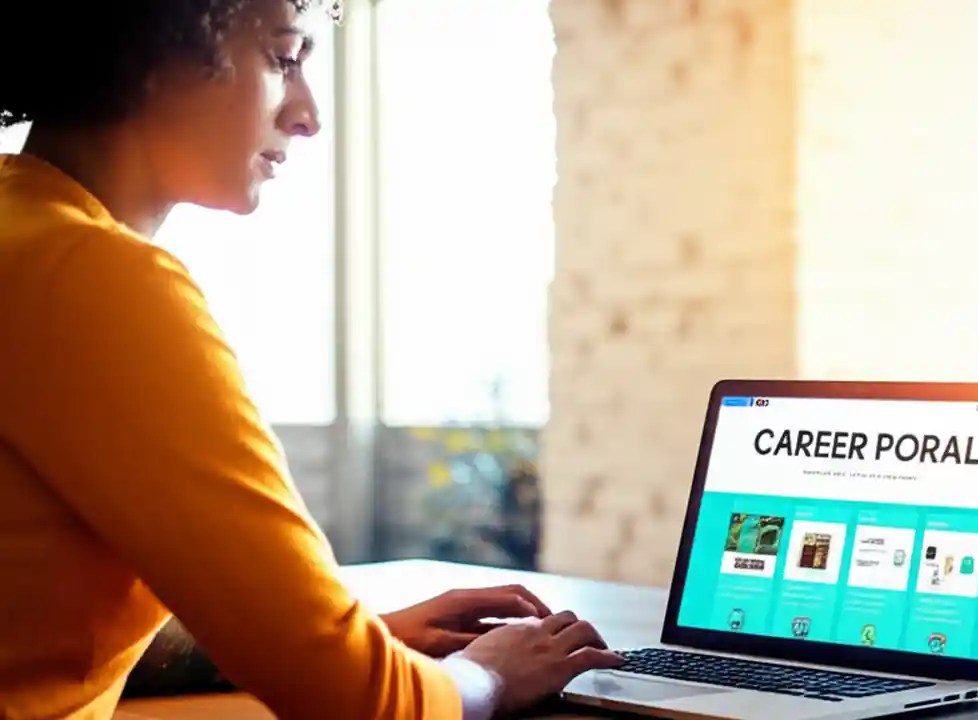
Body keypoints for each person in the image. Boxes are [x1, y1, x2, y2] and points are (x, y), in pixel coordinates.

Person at [0, 1, 622, 718]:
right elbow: (358, 703)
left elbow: (37, 630)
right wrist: (487, 677)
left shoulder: (23, 235)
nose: (308, 114)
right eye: (284, 58)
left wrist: (341, 638)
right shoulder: (96, 281)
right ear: (155, 49)